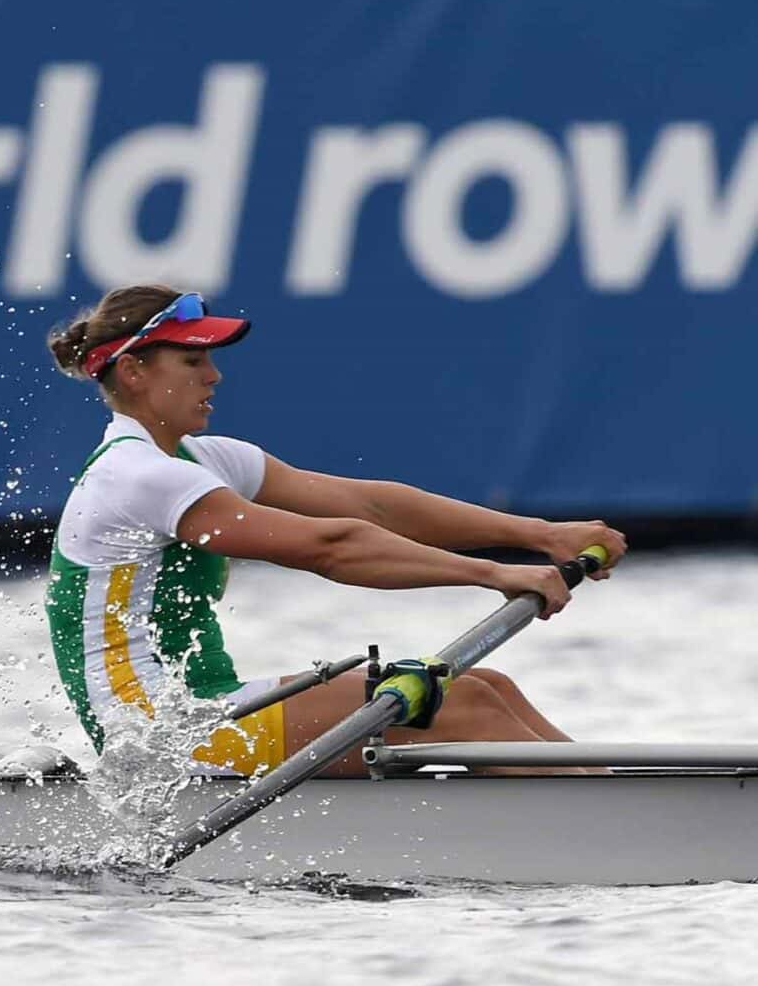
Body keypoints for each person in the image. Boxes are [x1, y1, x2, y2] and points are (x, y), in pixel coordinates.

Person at [43, 284, 625, 777]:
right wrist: (492, 572)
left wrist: (542, 534)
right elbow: (331, 548)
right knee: (466, 703)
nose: (215, 376)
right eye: (194, 362)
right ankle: (628, 832)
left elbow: (372, 507)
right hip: (158, 736)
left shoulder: (209, 459)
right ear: (133, 371)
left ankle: (622, 806)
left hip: (206, 708)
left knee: (488, 684)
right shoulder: (137, 476)